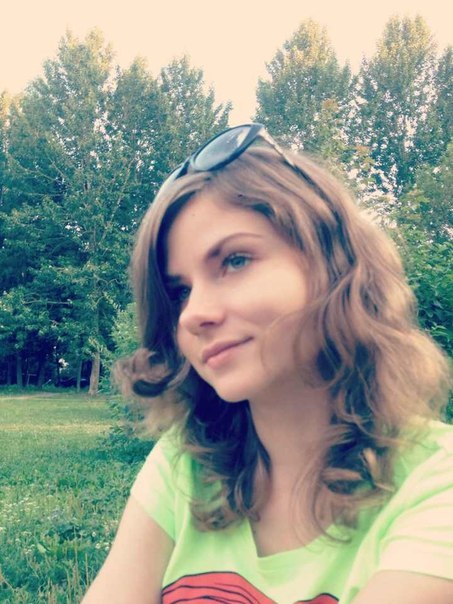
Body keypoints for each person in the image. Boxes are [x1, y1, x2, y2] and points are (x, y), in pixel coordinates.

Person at [82, 123, 453, 603]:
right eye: (180, 292)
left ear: (334, 264)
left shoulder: (436, 482)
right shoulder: (185, 466)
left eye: (235, 261)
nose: (193, 314)